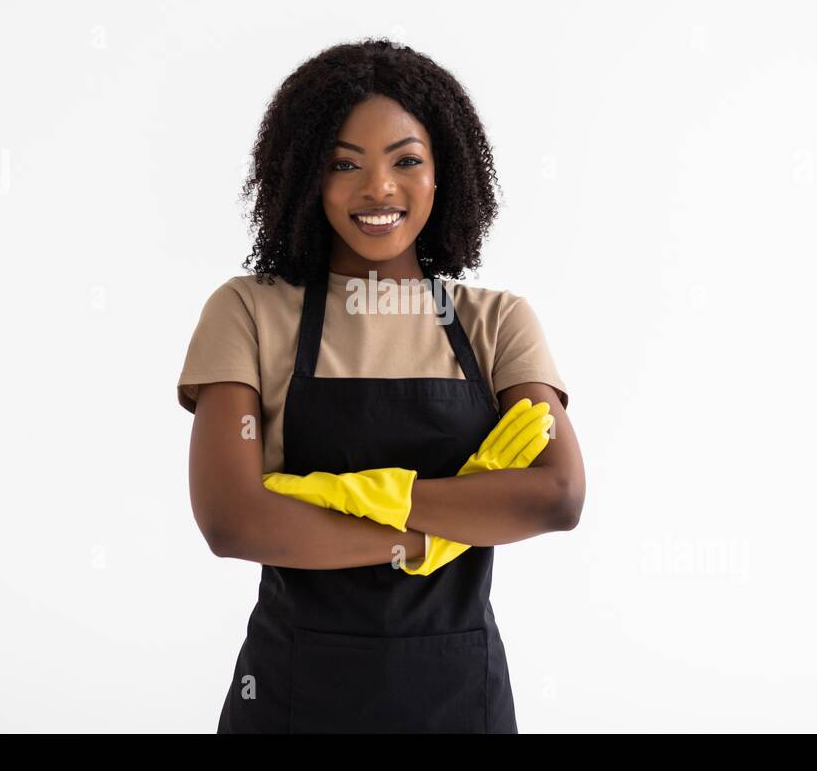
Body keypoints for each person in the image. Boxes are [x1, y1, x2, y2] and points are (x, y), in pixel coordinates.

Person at [176, 39, 585, 733]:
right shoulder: (249, 311)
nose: (379, 190)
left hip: (460, 701)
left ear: (442, 172)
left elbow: (557, 496)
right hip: (290, 697)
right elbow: (233, 520)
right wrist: (445, 524)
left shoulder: (494, 323)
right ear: (306, 175)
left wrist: (352, 499)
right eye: (344, 164)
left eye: (406, 161)